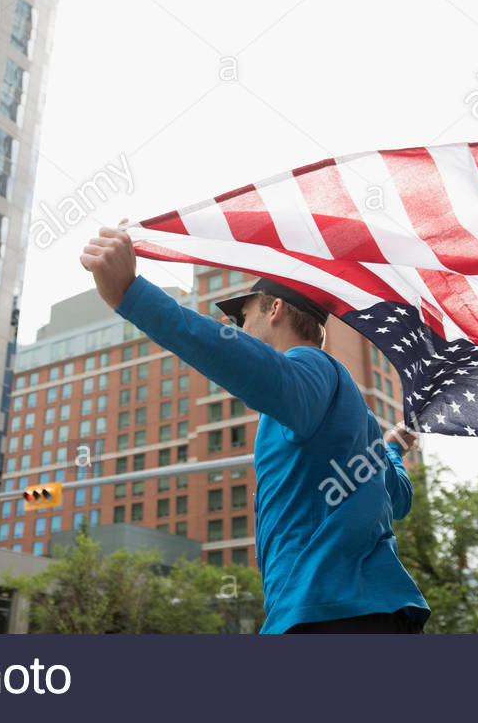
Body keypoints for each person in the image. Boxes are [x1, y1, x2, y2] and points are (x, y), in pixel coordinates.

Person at [80, 221, 430, 634]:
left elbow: (246, 364)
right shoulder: (358, 421)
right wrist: (391, 448)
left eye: (242, 318)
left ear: (274, 308)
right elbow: (399, 497)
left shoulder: (311, 367)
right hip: (362, 611)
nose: (238, 330)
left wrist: (131, 294)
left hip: (327, 614)